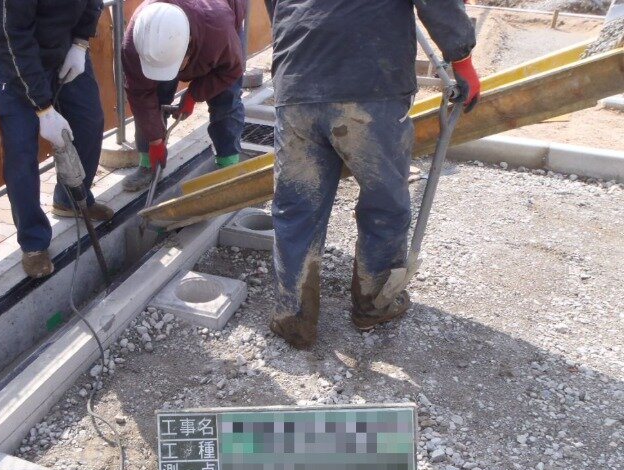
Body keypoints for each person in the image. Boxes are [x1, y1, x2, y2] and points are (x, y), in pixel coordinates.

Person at [269, 0, 481, 349]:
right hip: (371, 82)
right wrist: (463, 60)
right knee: (384, 202)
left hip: (297, 82)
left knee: (296, 208)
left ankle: (294, 316)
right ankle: (374, 303)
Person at [0, 0, 112, 279]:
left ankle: (71, 200)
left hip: (64, 43)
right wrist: (44, 109)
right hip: (12, 56)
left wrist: (80, 43)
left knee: (89, 120)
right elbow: (11, 37)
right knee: (21, 151)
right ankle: (33, 240)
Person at [121, 0, 246, 193]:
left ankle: (228, 163)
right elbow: (140, 94)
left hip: (218, 24)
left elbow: (230, 71)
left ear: (189, 45)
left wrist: (194, 95)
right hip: (191, 29)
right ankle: (148, 162)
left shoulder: (219, 30)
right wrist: (154, 141)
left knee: (225, 100)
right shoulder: (135, 41)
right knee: (152, 98)